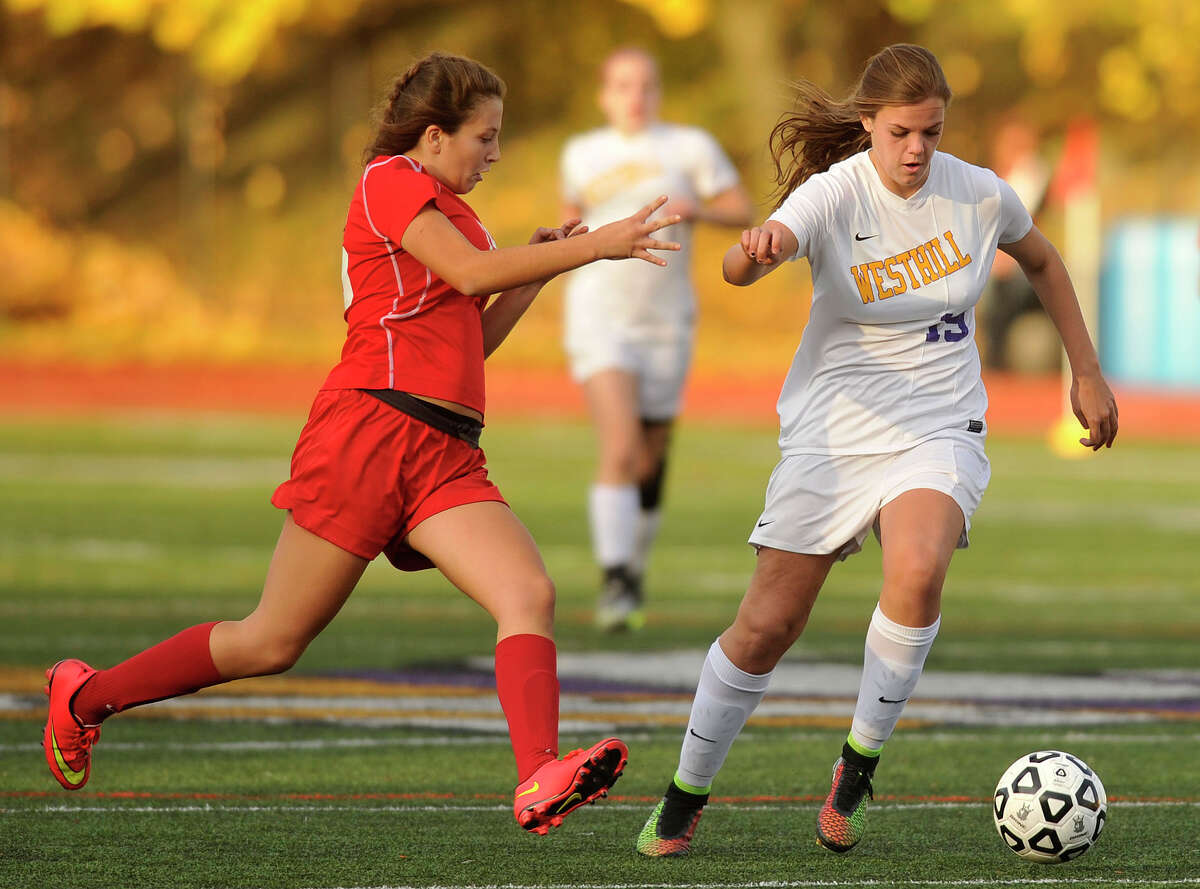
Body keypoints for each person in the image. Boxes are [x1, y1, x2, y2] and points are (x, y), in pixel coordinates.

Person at [41, 51, 685, 837]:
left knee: (528, 594)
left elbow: (467, 340)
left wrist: (534, 279)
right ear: (434, 134)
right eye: (485, 136)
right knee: (270, 640)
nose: (494, 152)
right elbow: (471, 275)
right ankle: (84, 695)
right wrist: (591, 246)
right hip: (370, 433)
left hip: (444, 449)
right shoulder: (390, 179)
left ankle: (537, 775)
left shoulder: (455, 210)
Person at [635, 44, 1118, 858]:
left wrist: (1088, 370)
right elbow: (739, 264)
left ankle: (855, 770)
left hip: (940, 421)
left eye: (931, 131)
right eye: (900, 132)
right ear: (868, 124)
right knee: (767, 625)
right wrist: (753, 252)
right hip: (834, 431)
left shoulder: (978, 192)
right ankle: (685, 792)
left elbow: (1040, 258)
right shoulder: (835, 193)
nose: (917, 149)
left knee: (919, 567)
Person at [559, 47, 753, 631]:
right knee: (619, 445)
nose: (634, 96)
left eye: (644, 84)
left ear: (658, 90)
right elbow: (568, 222)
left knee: (651, 455)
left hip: (667, 321)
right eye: (621, 86)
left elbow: (742, 210)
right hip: (600, 316)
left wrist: (700, 212)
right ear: (603, 94)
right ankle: (616, 579)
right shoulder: (582, 153)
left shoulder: (688, 146)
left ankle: (632, 569)